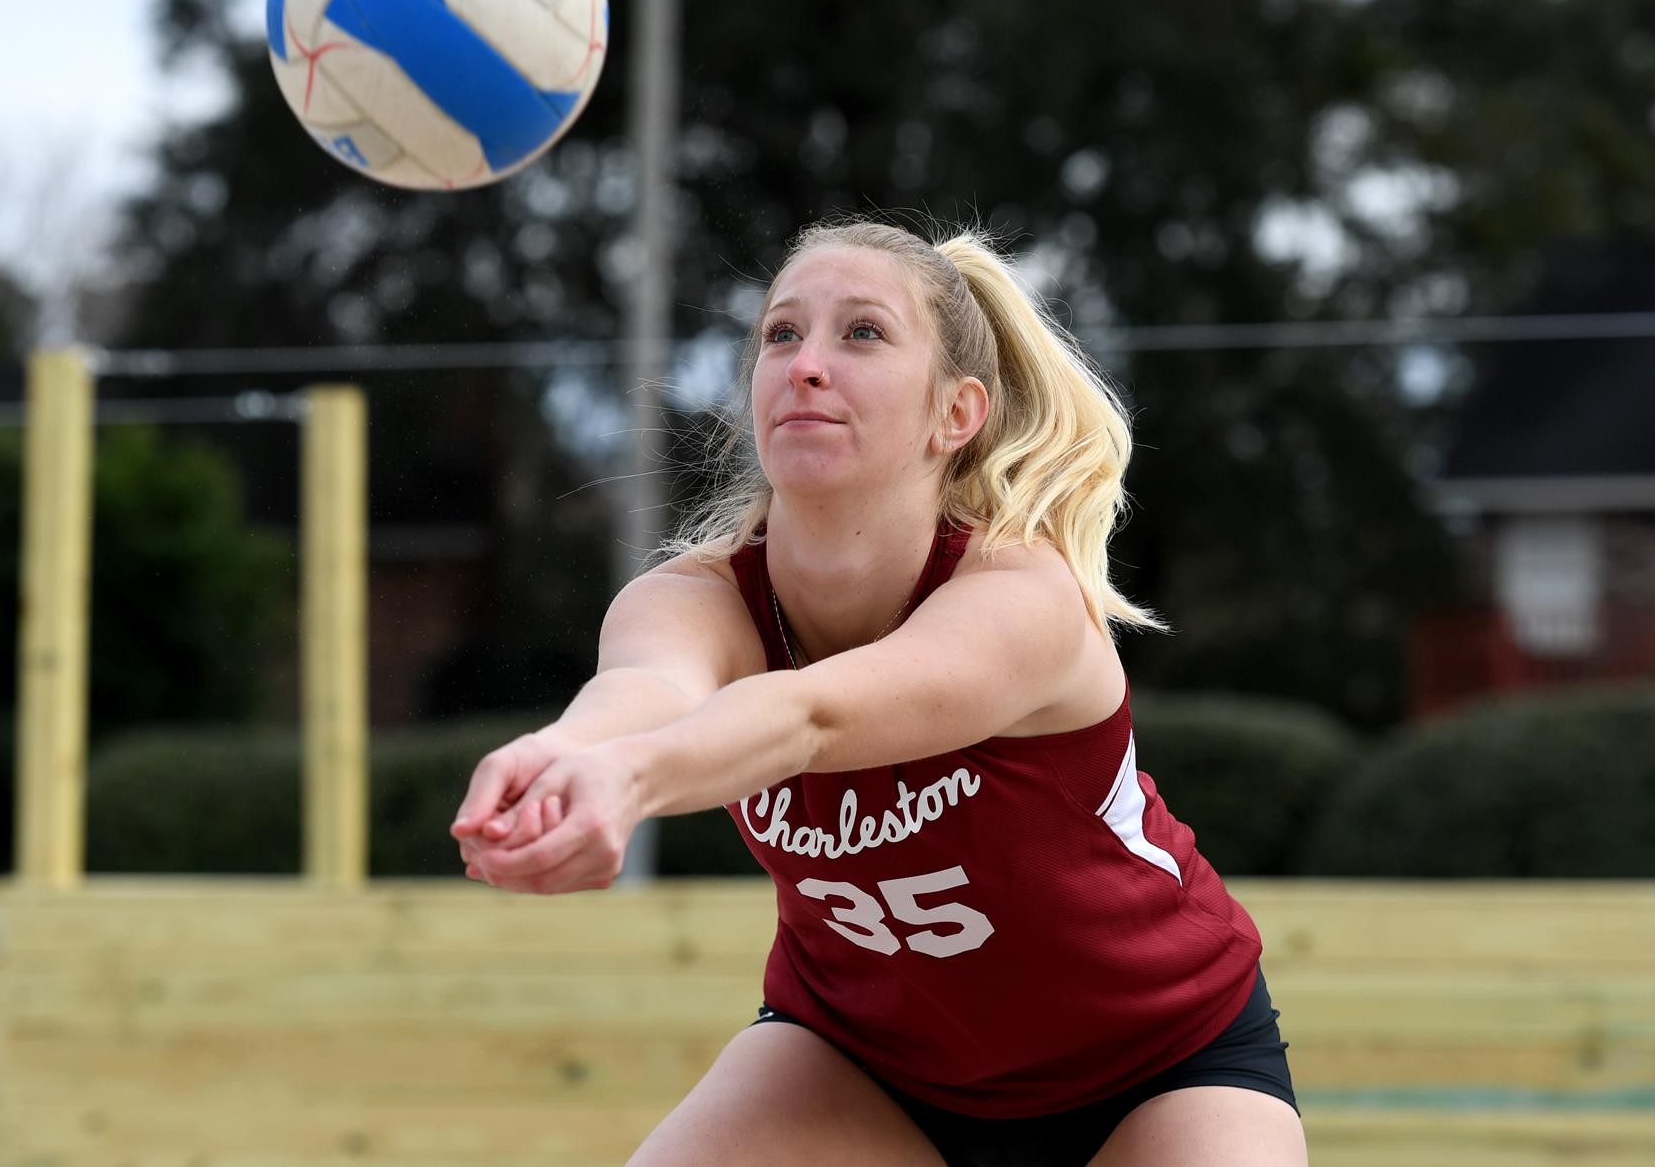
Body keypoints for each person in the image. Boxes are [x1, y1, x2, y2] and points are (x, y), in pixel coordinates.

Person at [449, 219, 1306, 1166]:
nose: (806, 363)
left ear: (957, 413)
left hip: (1155, 1065)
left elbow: (817, 713)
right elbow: (647, 689)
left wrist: (630, 779)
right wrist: (575, 758)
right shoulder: (693, 596)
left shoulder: (1024, 597)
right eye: (782, 334)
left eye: (861, 333)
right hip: (859, 1062)